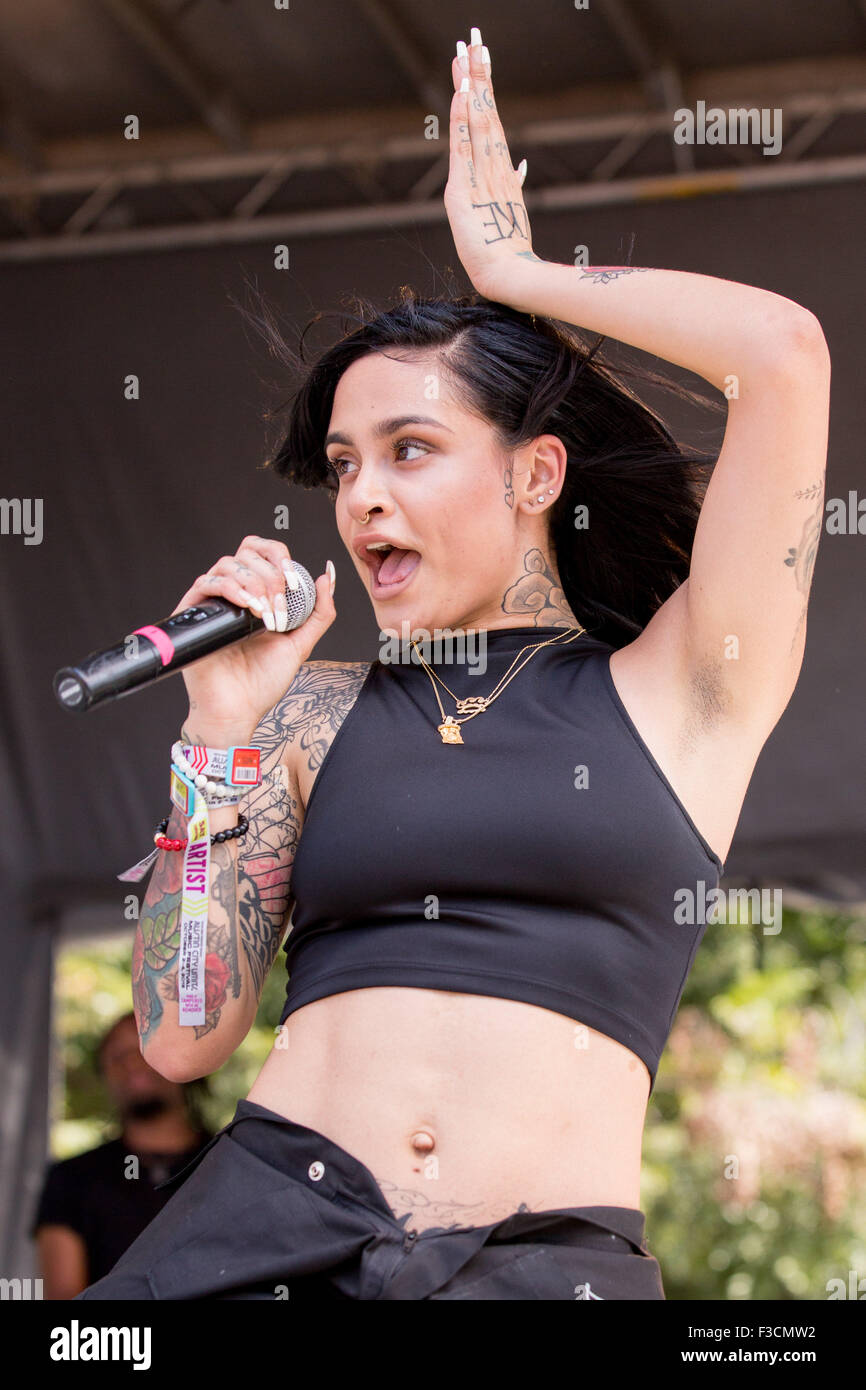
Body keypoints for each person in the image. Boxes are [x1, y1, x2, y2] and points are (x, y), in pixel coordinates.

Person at [75, 27, 830, 1300]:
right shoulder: (306, 715)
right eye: (344, 465)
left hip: (537, 1270)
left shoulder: (679, 688)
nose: (363, 495)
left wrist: (515, 271)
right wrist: (215, 739)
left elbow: (782, 357)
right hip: (262, 1236)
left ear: (536, 473)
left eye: (409, 449)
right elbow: (178, 1033)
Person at [32, 1012, 211, 1297]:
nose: (130, 1063)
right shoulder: (71, 1179)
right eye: (117, 1056)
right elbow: (64, 1295)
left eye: (144, 1048)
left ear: (184, 1061)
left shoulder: (230, 1163)